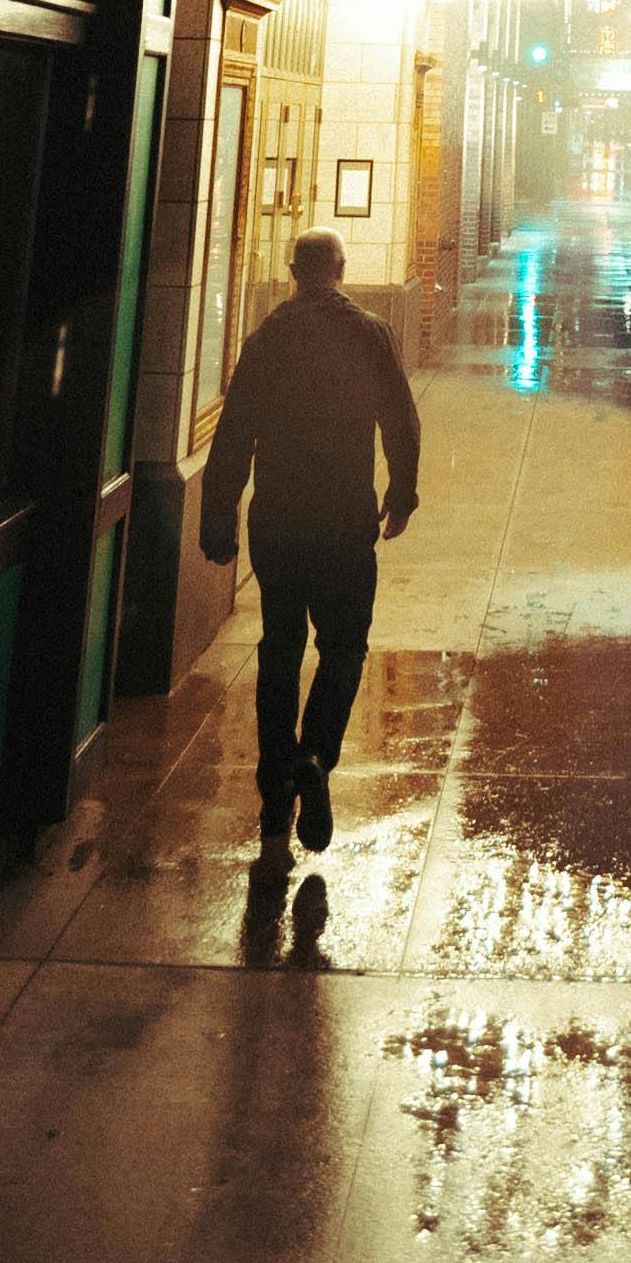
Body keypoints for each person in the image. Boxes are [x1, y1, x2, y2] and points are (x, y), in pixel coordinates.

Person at [199, 228, 418, 855]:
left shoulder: (267, 338)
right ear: (342, 271)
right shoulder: (370, 334)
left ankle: (274, 791)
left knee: (280, 648)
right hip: (344, 520)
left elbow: (234, 432)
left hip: (279, 521)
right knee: (344, 647)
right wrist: (401, 494)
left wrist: (218, 517)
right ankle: (316, 755)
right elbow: (400, 420)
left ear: (294, 271)